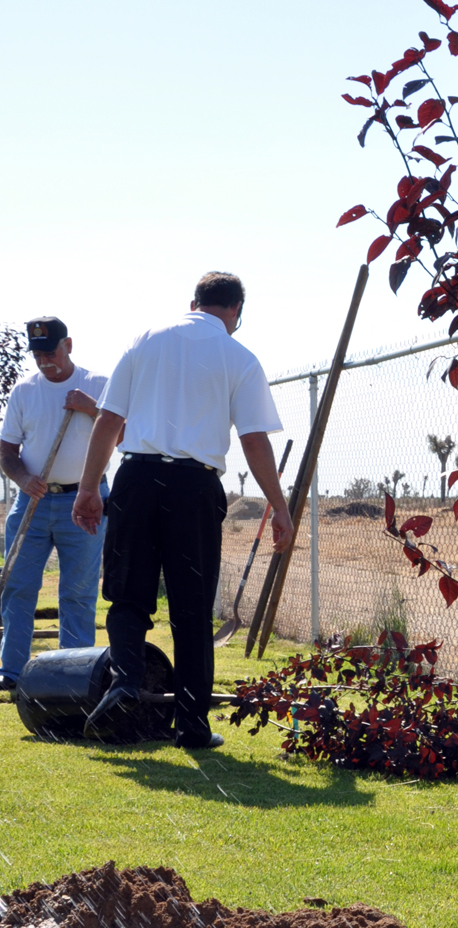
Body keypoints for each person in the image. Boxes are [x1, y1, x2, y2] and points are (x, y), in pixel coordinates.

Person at [72, 273, 294, 749]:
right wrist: (279, 507)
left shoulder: (146, 339)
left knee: (128, 594)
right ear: (236, 310)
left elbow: (109, 419)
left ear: (192, 302)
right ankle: (191, 726)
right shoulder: (239, 357)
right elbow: (253, 441)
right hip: (193, 487)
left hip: (135, 477)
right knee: (191, 610)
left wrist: (88, 487)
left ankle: (126, 680)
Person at [0, 318, 110, 688]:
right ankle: (11, 672)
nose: (45, 361)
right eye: (38, 354)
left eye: (51, 352)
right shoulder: (24, 391)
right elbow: (6, 450)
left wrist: (93, 409)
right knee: (17, 585)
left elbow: (127, 434)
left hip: (84, 500)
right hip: (33, 502)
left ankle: (73, 676)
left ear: (69, 345)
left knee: (78, 592)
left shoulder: (97, 385)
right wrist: (22, 478)